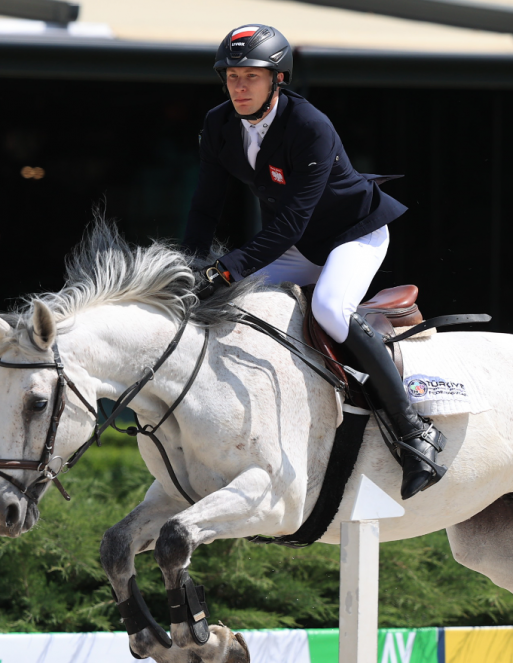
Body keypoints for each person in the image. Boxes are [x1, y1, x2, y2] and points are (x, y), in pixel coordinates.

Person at [183, 25, 444, 500]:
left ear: (277, 79)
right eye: (232, 77)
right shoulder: (219, 125)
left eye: (251, 78)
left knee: (327, 309)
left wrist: (221, 271)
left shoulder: (309, 125)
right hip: (295, 241)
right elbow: (205, 207)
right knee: (239, 304)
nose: (239, 88)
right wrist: (191, 267)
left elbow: (290, 225)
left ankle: (413, 429)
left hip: (353, 235)